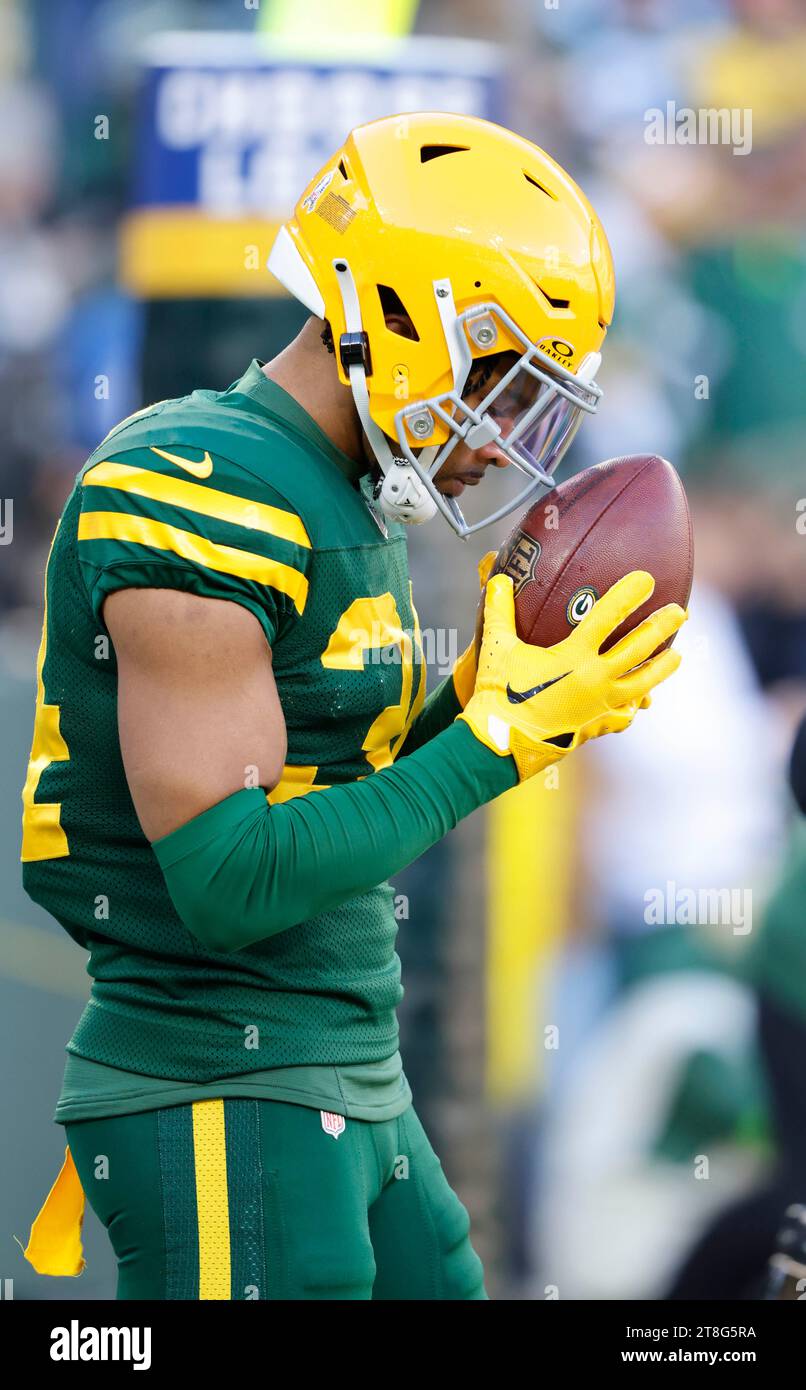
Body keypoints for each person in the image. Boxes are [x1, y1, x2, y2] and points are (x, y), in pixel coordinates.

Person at [20, 112, 684, 1300]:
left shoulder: (345, 494)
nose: (504, 438)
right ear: (410, 318)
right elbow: (232, 877)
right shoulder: (196, 484)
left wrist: (503, 706)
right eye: (500, 380)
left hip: (339, 1064)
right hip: (217, 1080)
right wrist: (489, 740)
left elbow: (329, 801)